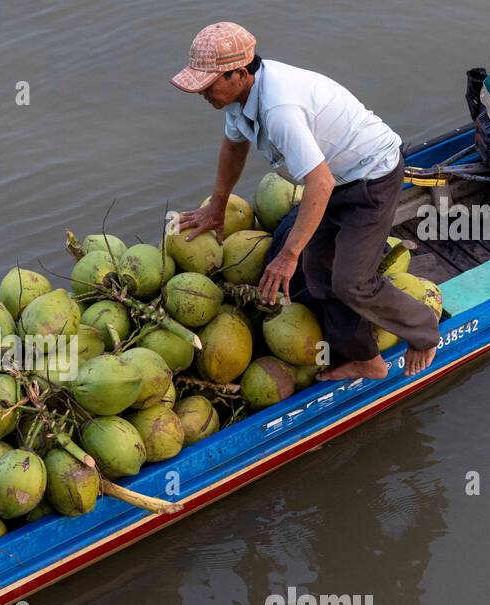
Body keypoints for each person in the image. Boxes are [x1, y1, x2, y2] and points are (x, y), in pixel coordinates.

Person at [171, 22, 438, 379]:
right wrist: (216, 207)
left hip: (371, 177)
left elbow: (320, 184)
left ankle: (424, 332)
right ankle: (365, 358)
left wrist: (287, 256)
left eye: (208, 84)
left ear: (237, 74)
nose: (202, 93)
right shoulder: (240, 99)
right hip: (335, 180)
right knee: (316, 271)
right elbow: (233, 147)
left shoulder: (279, 108)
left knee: (351, 281)